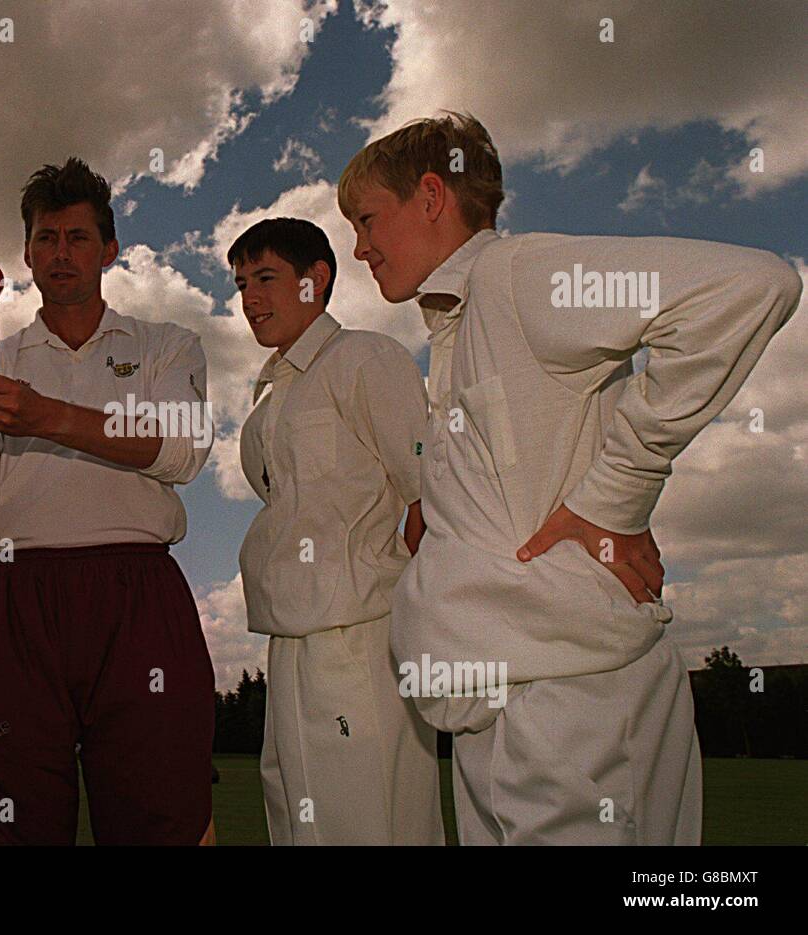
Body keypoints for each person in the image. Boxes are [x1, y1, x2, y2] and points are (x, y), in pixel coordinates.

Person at [337, 111, 801, 844]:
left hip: (559, 703)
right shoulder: (464, 319)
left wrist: (617, 498)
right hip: (536, 689)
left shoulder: (516, 276)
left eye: (367, 219)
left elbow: (752, 286)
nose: (359, 246)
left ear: (430, 195)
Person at [0, 157, 216, 845]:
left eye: (78, 237)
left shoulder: (166, 344)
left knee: (163, 812)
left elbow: (181, 450)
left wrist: (46, 416)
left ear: (108, 249)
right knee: (0, 822)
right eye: (46, 237)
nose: (61, 252)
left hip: (138, 592)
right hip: (13, 596)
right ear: (27, 252)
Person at [231, 217, 443, 845]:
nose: (249, 299)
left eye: (266, 278)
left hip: (362, 640)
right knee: (301, 824)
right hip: (290, 638)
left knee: (372, 822)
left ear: (314, 281)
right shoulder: (269, 402)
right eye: (242, 283)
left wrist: (387, 591)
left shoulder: (365, 357)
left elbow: (430, 492)